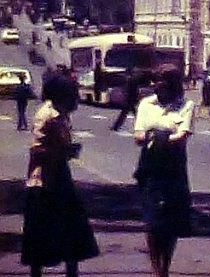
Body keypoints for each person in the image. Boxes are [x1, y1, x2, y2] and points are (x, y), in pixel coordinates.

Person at [21, 72, 99, 277]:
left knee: (72, 227)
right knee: (43, 227)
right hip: (45, 177)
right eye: (73, 95)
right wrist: (64, 151)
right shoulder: (48, 116)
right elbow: (37, 149)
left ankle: (71, 272)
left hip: (59, 173)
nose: (77, 100)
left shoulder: (61, 114)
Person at [133, 65, 195, 277]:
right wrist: (163, 136)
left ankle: (165, 267)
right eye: (156, 84)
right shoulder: (146, 104)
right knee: (152, 221)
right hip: (150, 166)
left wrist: (156, 136)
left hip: (174, 167)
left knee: (171, 222)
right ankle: (156, 268)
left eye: (163, 85)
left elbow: (183, 135)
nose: (158, 88)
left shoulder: (186, 105)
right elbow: (138, 136)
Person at [111, 67, 146, 132]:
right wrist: (136, 98)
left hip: (129, 99)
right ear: (134, 73)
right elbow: (133, 91)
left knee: (126, 114)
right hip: (130, 99)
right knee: (135, 114)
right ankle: (141, 127)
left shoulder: (130, 79)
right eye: (137, 73)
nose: (139, 74)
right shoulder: (133, 80)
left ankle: (116, 126)